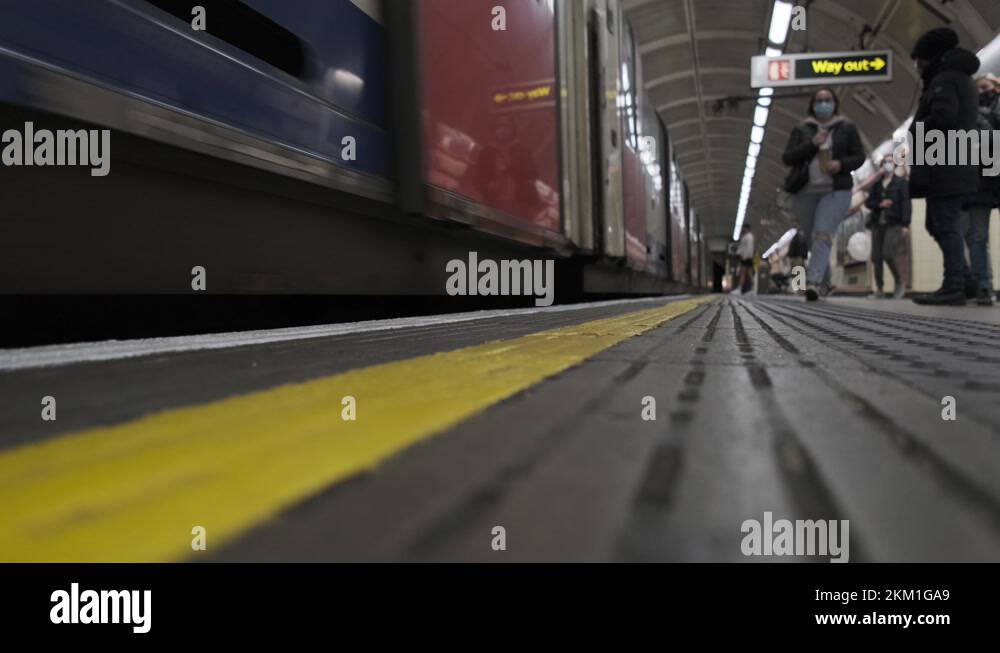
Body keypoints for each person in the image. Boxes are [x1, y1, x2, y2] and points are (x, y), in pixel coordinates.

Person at [908, 28, 982, 306]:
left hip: (946, 163)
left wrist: (916, 129)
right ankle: (966, 280)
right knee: (937, 223)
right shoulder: (955, 77)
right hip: (951, 161)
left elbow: (944, 116)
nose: (918, 67)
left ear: (933, 58)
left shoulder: (945, 79)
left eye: (920, 61)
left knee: (945, 223)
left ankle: (954, 286)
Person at [782, 88, 866, 301]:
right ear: (812, 105)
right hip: (806, 192)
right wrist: (812, 144)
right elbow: (788, 157)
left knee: (822, 234)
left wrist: (841, 164)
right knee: (814, 240)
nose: (823, 104)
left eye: (827, 100)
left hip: (836, 191)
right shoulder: (802, 129)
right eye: (819, 101)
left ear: (835, 103)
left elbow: (859, 157)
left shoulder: (847, 128)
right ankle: (825, 284)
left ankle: (814, 282)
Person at [960, 75, 1000, 306]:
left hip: (984, 181)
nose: (984, 92)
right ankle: (983, 286)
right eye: (980, 89)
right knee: (978, 236)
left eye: (988, 87)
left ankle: (984, 285)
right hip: (981, 183)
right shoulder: (971, 116)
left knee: (977, 236)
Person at [865, 155, 911, 299]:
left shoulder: (901, 183)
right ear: (882, 166)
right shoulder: (877, 185)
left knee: (887, 253)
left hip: (894, 223)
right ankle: (879, 289)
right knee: (876, 257)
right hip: (878, 224)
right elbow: (868, 203)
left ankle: (899, 281)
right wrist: (879, 204)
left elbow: (906, 204)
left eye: (891, 161)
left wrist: (905, 224)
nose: (888, 164)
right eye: (885, 162)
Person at [736, 224, 755, 294]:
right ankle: (753, 289)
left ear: (747, 228)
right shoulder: (745, 236)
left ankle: (740, 288)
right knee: (748, 273)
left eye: (744, 228)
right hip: (746, 258)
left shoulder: (749, 237)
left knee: (743, 273)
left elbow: (749, 248)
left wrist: (746, 257)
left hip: (746, 258)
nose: (743, 230)